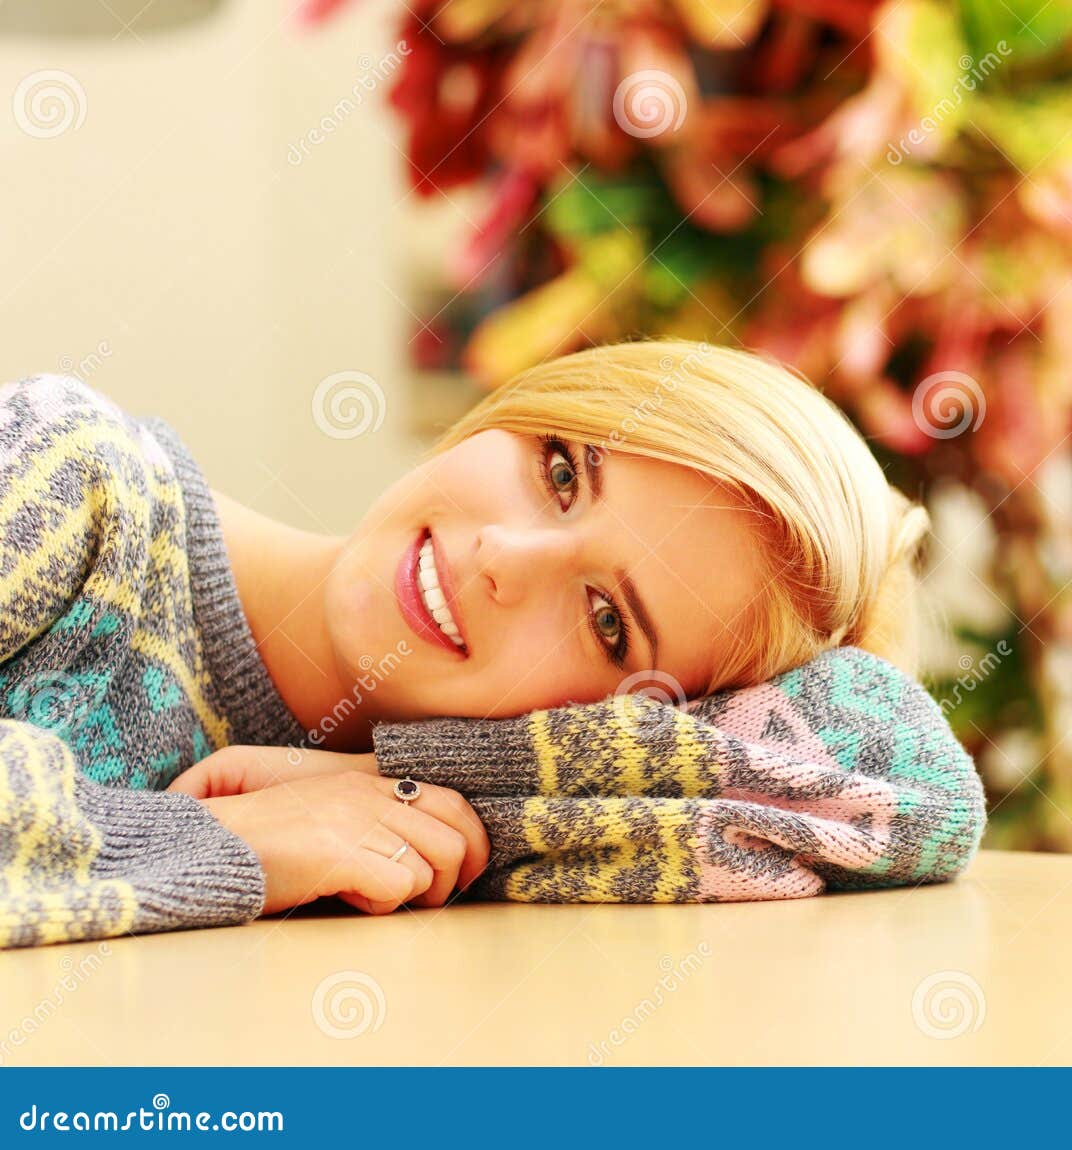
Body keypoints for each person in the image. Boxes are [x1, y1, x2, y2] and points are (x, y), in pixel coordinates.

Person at [0, 340, 985, 950]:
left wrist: (457, 775)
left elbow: (914, 806)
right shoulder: (70, 476)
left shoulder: (412, 827)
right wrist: (220, 843)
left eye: (607, 622)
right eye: (562, 470)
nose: (505, 556)